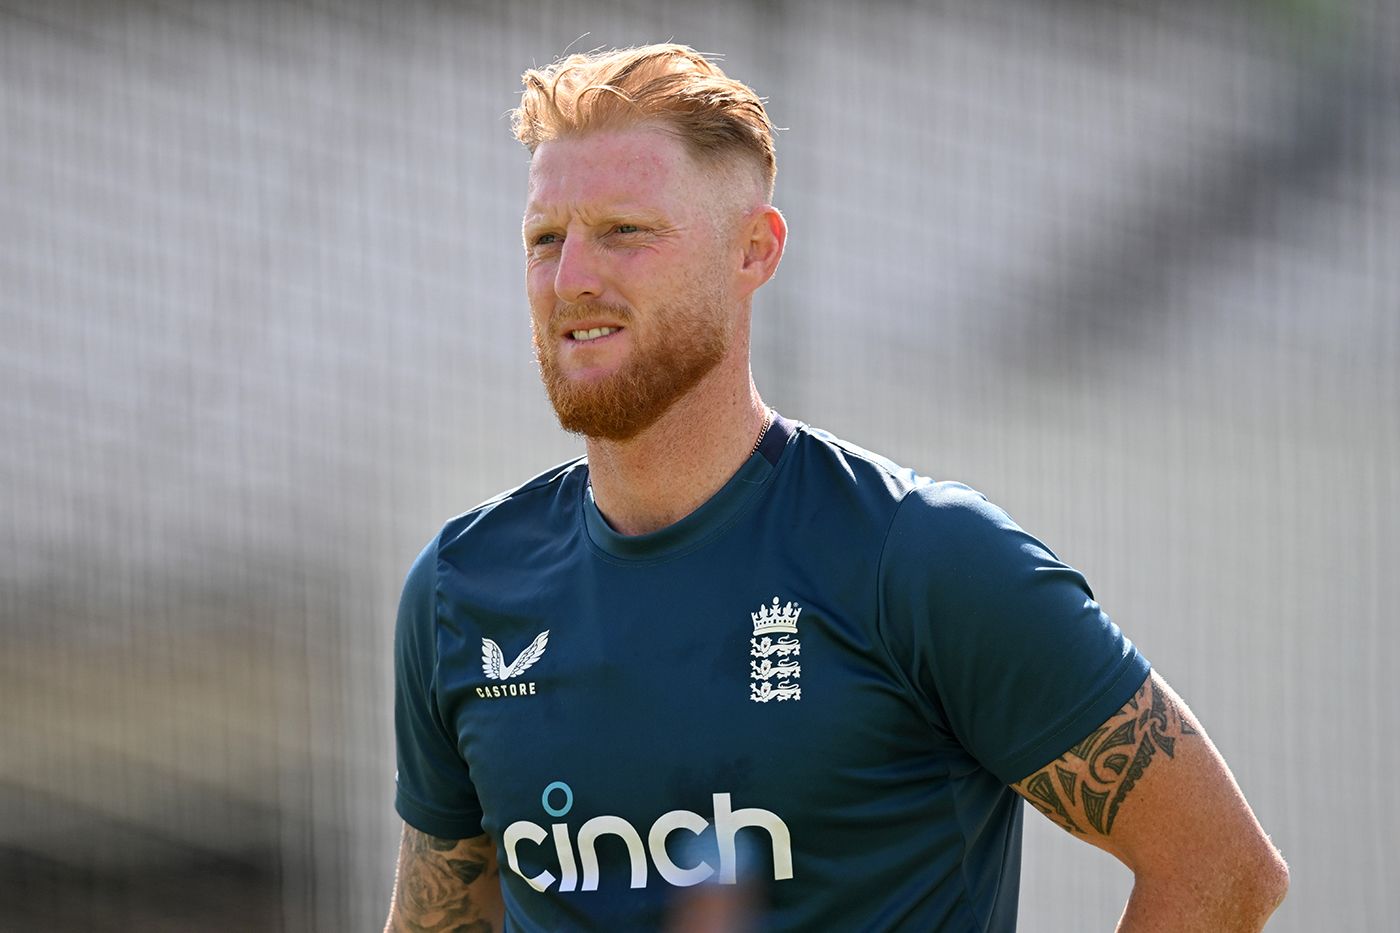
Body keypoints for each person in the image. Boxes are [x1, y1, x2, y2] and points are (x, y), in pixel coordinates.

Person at [384, 43, 1288, 932]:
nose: (572, 278)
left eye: (625, 231)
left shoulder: (924, 557)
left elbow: (1220, 868)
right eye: (546, 239)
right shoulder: (460, 590)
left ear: (753, 252)